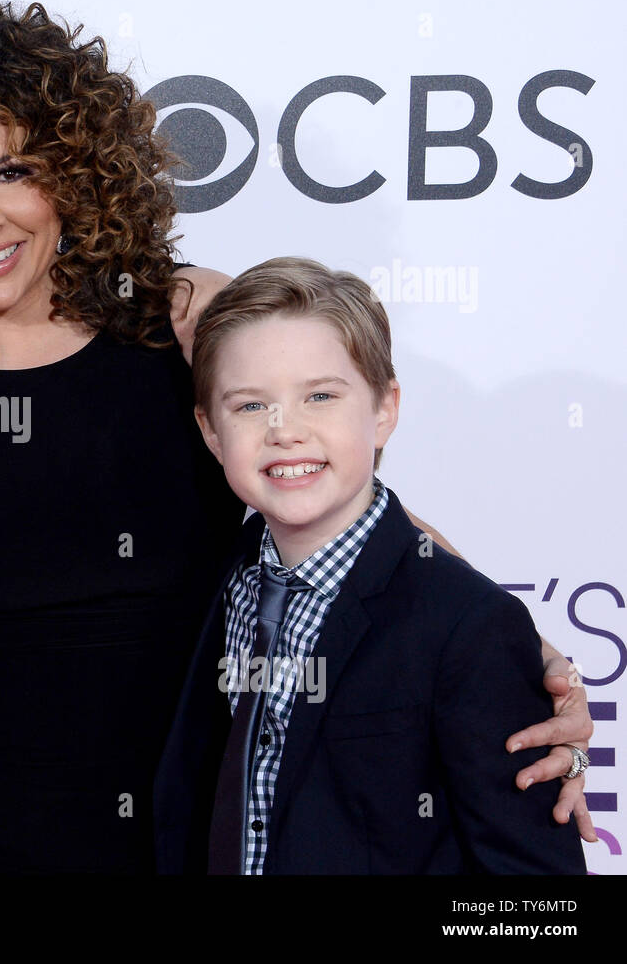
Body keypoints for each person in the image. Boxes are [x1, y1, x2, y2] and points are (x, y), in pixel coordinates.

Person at [0, 2, 593, 873]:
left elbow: (354, 520)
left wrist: (518, 656)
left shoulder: (182, 318)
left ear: (74, 173)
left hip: (195, 831)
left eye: (15, 170)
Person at [154, 258, 587, 874]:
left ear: (384, 408)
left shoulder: (465, 624)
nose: (285, 431)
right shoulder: (216, 583)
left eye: (321, 396)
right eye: (250, 406)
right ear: (211, 432)